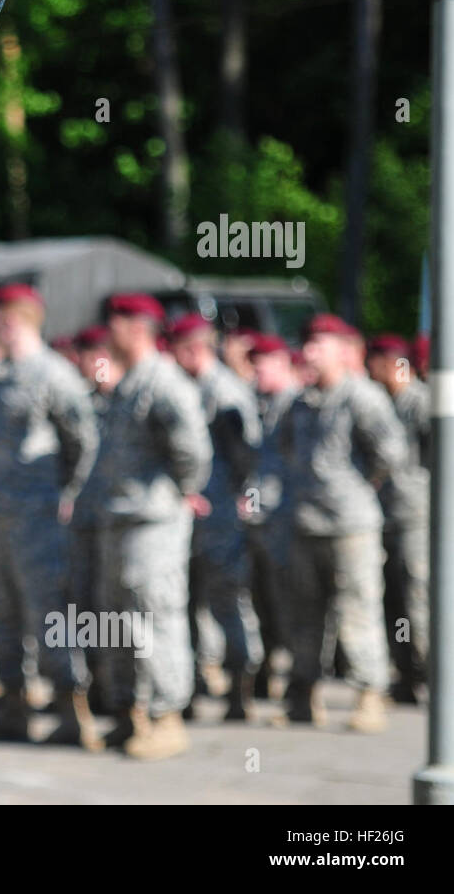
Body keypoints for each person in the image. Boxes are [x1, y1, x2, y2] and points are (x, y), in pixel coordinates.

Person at [0, 284, 101, 748]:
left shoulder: (53, 375)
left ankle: (70, 708)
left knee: (48, 616)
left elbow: (81, 442)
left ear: (16, 321)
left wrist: (65, 493)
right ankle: (13, 708)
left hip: (38, 518)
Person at [89, 294, 212, 760]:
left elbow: (192, 450)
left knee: (154, 616)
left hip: (153, 520)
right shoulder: (128, 383)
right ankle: (130, 714)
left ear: (138, 328)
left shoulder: (163, 382)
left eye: (113, 324)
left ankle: (166, 717)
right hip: (121, 517)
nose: (105, 334)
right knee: (120, 618)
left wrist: (180, 492)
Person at [281, 314, 406, 732]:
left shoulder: (362, 397)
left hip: (351, 524)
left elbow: (388, 453)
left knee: (358, 610)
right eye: (307, 344)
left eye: (319, 343)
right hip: (306, 522)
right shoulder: (299, 402)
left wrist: (358, 487)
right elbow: (283, 450)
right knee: (306, 614)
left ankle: (370, 693)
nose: (309, 352)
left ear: (341, 349)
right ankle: (303, 694)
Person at [169, 314, 264, 721]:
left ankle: (240, 688)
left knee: (227, 602)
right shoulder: (186, 388)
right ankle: (186, 689)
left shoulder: (226, 392)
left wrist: (236, 500)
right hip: (189, 518)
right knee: (185, 604)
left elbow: (246, 456)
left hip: (220, 515)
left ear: (194, 349)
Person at [366, 333, 430, 703]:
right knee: (395, 600)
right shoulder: (382, 402)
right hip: (386, 514)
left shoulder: (421, 402)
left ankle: (434, 676)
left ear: (392, 363)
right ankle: (406, 674)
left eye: (374, 362)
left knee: (417, 593)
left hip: (416, 513)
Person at [69, 325, 122, 713]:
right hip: (85, 525)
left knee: (122, 612)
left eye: (95, 356)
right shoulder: (83, 402)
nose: (87, 365)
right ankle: (98, 688)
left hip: (122, 525)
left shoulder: (128, 401)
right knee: (87, 609)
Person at [244, 334, 301, 698]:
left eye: (262, 363)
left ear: (282, 362)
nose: (255, 372)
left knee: (293, 603)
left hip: (290, 520)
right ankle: (267, 672)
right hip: (260, 520)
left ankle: (300, 679)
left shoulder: (299, 404)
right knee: (261, 600)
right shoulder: (259, 403)